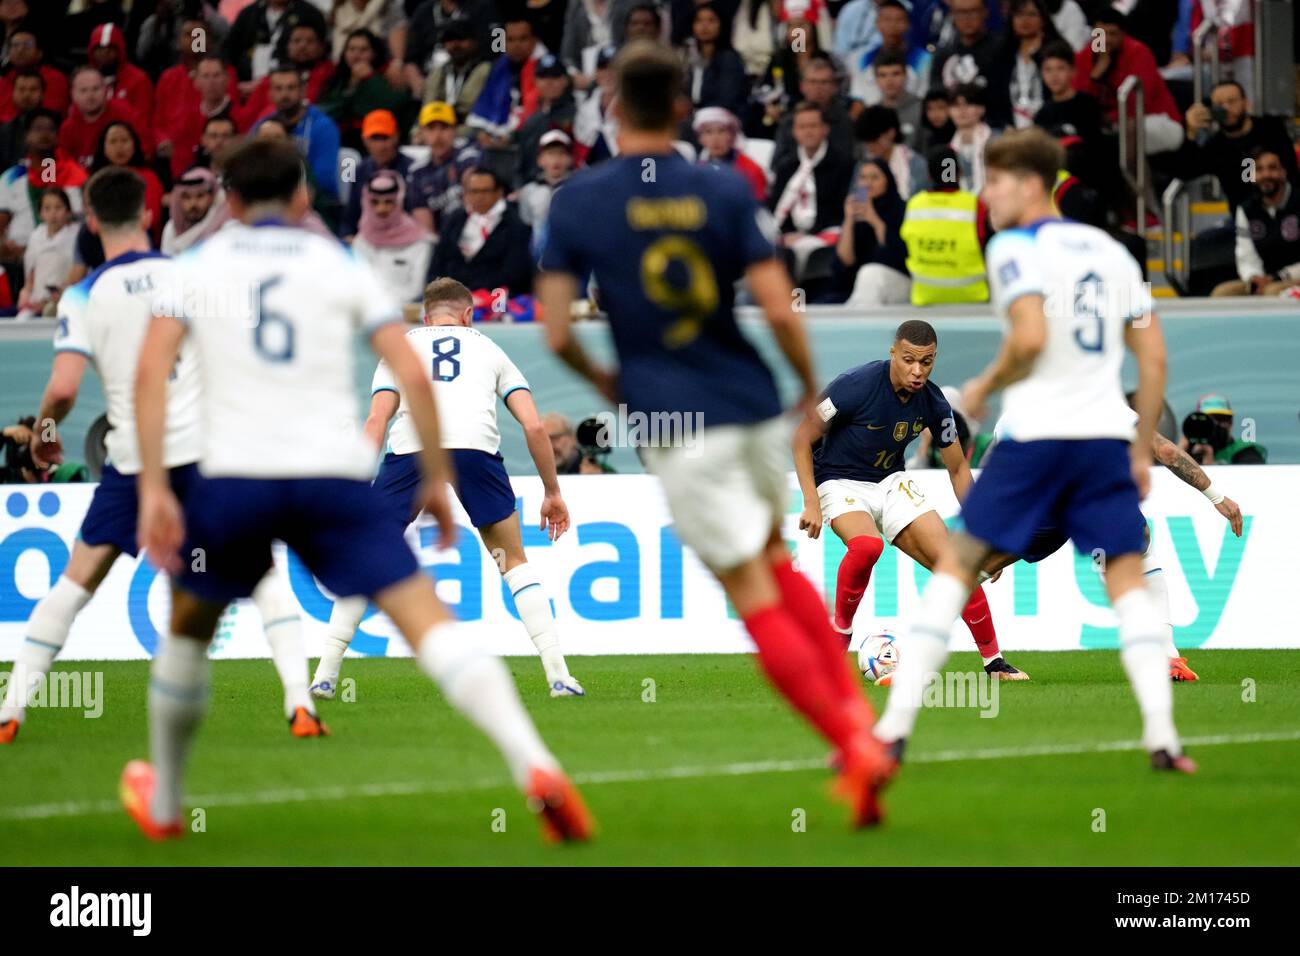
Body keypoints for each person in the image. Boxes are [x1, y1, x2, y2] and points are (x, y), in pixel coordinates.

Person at [124, 139, 592, 843]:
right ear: (305, 198)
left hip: (234, 474)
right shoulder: (338, 264)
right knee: (420, 612)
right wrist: (436, 473)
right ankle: (536, 763)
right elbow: (407, 364)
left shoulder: (195, 266)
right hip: (326, 473)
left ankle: (166, 805)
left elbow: (149, 374)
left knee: (188, 628)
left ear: (229, 201)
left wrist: (156, 486)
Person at [538, 42, 893, 829]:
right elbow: (776, 306)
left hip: (677, 420)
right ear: (679, 111)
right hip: (757, 404)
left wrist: (615, 388)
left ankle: (851, 740)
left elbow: (556, 331)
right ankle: (857, 726)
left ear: (610, 109)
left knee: (751, 590)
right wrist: (805, 385)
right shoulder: (723, 188)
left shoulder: (578, 201)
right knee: (772, 558)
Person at [872, 126, 1194, 781]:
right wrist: (1138, 448)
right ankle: (1162, 740)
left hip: (1040, 436)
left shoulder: (1015, 247)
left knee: (957, 567)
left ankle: (893, 731)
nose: (985, 196)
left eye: (992, 181)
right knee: (1127, 579)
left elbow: (1029, 335)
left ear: (1026, 183)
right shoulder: (1112, 251)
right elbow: (1154, 356)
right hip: (1105, 440)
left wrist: (985, 386)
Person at [0, 167, 322, 746]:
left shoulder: (83, 294)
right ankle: (301, 705)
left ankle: (11, 712)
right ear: (150, 213)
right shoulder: (194, 276)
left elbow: (66, 387)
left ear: (92, 222)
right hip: (206, 454)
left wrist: (46, 432)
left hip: (134, 462)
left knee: (75, 582)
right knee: (263, 574)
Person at [311, 276, 584, 699]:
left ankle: (326, 676)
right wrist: (552, 491)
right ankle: (559, 676)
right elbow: (532, 424)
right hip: (474, 451)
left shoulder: (400, 349)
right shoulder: (489, 348)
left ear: (424, 316)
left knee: (365, 556)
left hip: (412, 452)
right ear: (468, 315)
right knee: (513, 561)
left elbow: (375, 421)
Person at [792, 319, 1026, 679]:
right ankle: (839, 637)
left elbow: (959, 471)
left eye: (927, 362)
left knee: (957, 564)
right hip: (838, 481)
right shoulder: (854, 386)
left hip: (891, 481)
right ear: (892, 355)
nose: (917, 371)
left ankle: (993, 662)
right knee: (867, 547)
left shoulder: (933, 403)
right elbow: (801, 438)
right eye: (908, 360)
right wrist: (810, 501)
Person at [1183, 81, 1300, 213]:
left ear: (1246, 103)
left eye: (1232, 101)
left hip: (1286, 212)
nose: (1226, 108)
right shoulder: (1215, 146)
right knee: (1208, 235)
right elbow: (1188, 169)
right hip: (1242, 219)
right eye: (1219, 104)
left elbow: (1291, 172)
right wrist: (1190, 131)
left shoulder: (1271, 128)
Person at [899, 145, 989, 306]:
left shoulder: (914, 205)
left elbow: (904, 247)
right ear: (959, 172)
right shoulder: (975, 205)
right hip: (973, 300)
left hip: (924, 300)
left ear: (928, 175)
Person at [427, 166, 534, 296]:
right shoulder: (454, 220)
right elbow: (437, 264)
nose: (479, 197)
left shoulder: (515, 225)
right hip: (451, 298)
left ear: (499, 193)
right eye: (474, 191)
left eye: (485, 191)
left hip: (496, 300)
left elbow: (515, 274)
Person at [1211, 148, 1300, 298]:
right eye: (1259, 169)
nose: (1266, 175)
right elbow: (1245, 254)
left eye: (1272, 168)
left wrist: (1279, 277)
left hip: (1292, 278)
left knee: (1272, 293)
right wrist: (1254, 278)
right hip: (1265, 279)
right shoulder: (1246, 210)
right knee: (1222, 293)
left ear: (1284, 172)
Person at [349, 170, 433, 303]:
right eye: (375, 202)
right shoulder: (361, 242)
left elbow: (416, 289)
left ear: (398, 202)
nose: (381, 209)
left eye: (388, 202)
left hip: (404, 315)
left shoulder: (420, 242)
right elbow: (355, 286)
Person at [835, 157, 910, 306]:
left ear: (887, 181)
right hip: (862, 284)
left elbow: (899, 255)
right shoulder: (857, 215)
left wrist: (874, 220)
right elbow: (846, 260)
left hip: (899, 279)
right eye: (863, 178)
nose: (867, 183)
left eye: (874, 177)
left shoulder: (902, 209)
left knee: (870, 274)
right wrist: (849, 220)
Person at [15, 187, 75, 318]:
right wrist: (26, 293)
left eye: (58, 207)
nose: (53, 213)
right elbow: (31, 274)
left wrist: (57, 297)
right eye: (47, 208)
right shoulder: (36, 236)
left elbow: (78, 274)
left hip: (65, 301)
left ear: (68, 211)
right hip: (35, 302)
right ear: (41, 213)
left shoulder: (75, 236)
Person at [694, 106, 766, 200]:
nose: (715, 139)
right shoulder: (696, 169)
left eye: (721, 131)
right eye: (708, 132)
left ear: (733, 135)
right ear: (700, 139)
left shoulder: (751, 170)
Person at [1179, 393, 1267, 465]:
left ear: (1231, 423)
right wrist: (1178, 454)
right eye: (1208, 421)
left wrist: (1212, 467)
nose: (1216, 425)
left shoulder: (1245, 452)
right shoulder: (1186, 452)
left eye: (1221, 419)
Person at [160, 167, 223, 254]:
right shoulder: (171, 228)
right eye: (187, 197)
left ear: (211, 198)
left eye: (200, 196)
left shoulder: (223, 228)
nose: (193, 203)